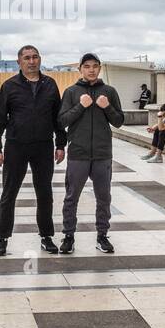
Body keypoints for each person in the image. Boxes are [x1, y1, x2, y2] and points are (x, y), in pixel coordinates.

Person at [0, 45, 67, 258]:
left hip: (43, 146)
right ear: (19, 62)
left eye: (34, 57)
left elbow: (57, 119)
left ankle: (46, 236)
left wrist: (61, 144)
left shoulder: (50, 85)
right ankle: (2, 238)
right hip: (16, 145)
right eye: (27, 58)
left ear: (40, 59)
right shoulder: (9, 86)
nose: (31, 61)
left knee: (45, 193)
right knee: (9, 193)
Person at [58, 53, 125, 255]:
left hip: (102, 154)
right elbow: (61, 121)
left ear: (99, 68)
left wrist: (108, 107)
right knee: (71, 197)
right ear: (80, 69)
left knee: (104, 197)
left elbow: (119, 121)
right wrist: (81, 105)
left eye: (95, 66)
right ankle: (68, 236)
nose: (91, 70)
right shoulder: (71, 92)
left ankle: (102, 236)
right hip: (78, 153)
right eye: (87, 66)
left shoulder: (109, 91)